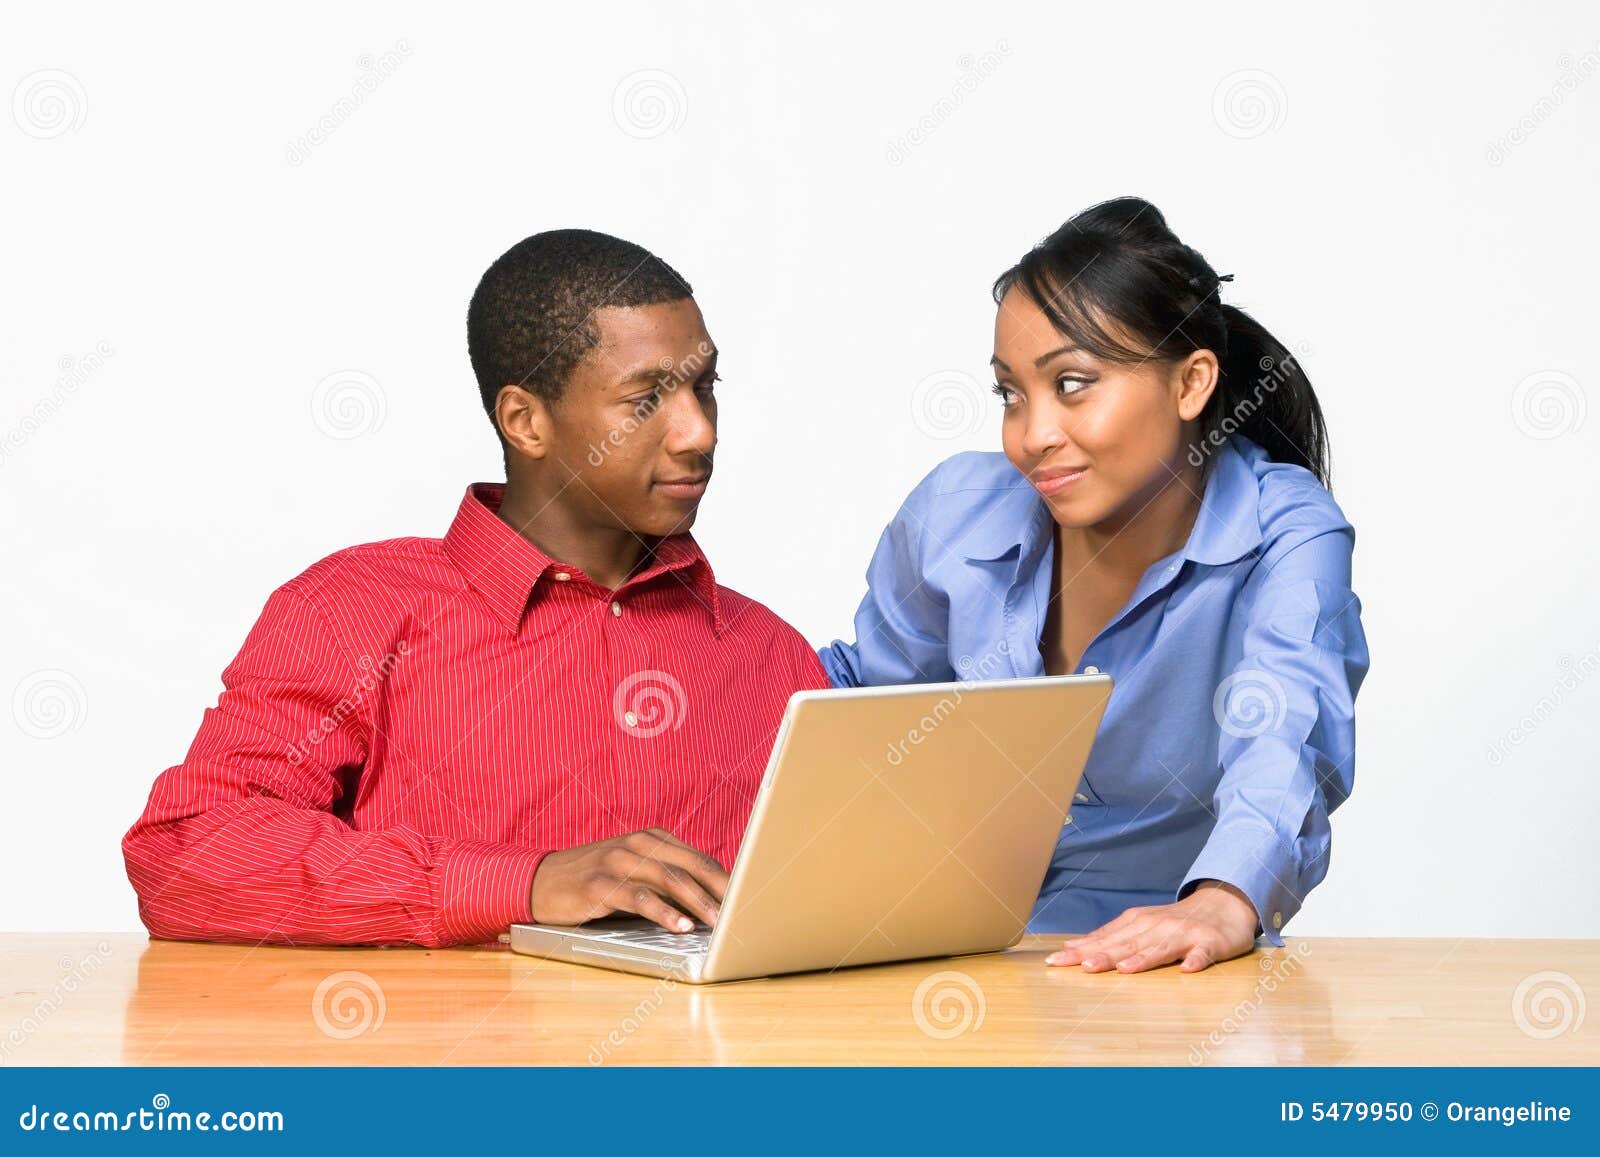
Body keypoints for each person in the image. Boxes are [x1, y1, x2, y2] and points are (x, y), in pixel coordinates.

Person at [123, 229, 829, 947]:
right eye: (646, 399)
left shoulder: (773, 656)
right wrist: (524, 883)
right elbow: (187, 853)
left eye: (703, 387)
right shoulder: (352, 611)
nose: (698, 432)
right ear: (526, 421)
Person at [822, 197, 1370, 974]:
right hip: (951, 964)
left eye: (1072, 384)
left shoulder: (1285, 532)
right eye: (1011, 394)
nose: (1032, 434)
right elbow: (861, 707)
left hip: (1169, 972)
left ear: (1192, 385)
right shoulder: (955, 511)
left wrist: (1222, 902)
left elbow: (1288, 732)